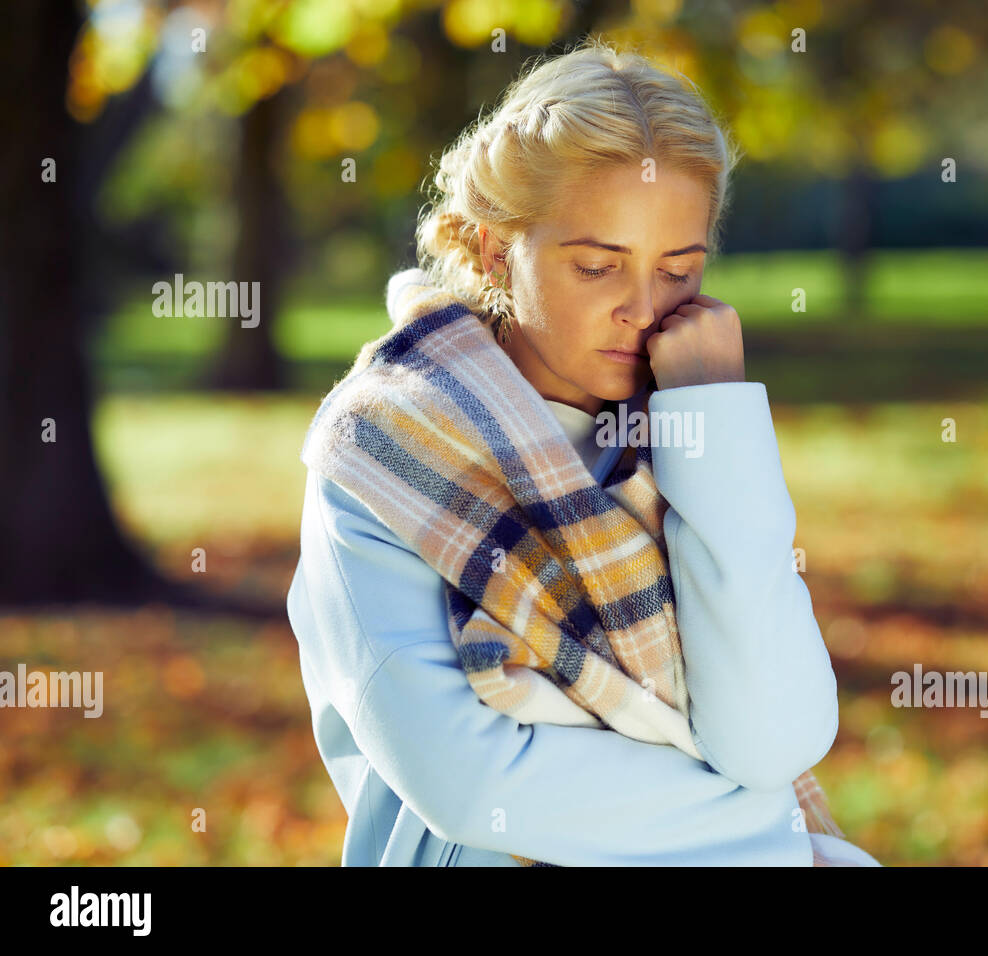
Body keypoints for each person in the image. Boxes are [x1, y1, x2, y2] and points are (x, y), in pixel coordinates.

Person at [286, 37, 880, 867]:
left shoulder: (683, 430)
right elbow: (471, 789)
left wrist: (715, 421)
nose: (643, 308)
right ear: (495, 250)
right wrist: (770, 838)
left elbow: (772, 741)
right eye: (599, 267)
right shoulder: (384, 448)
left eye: (679, 268)